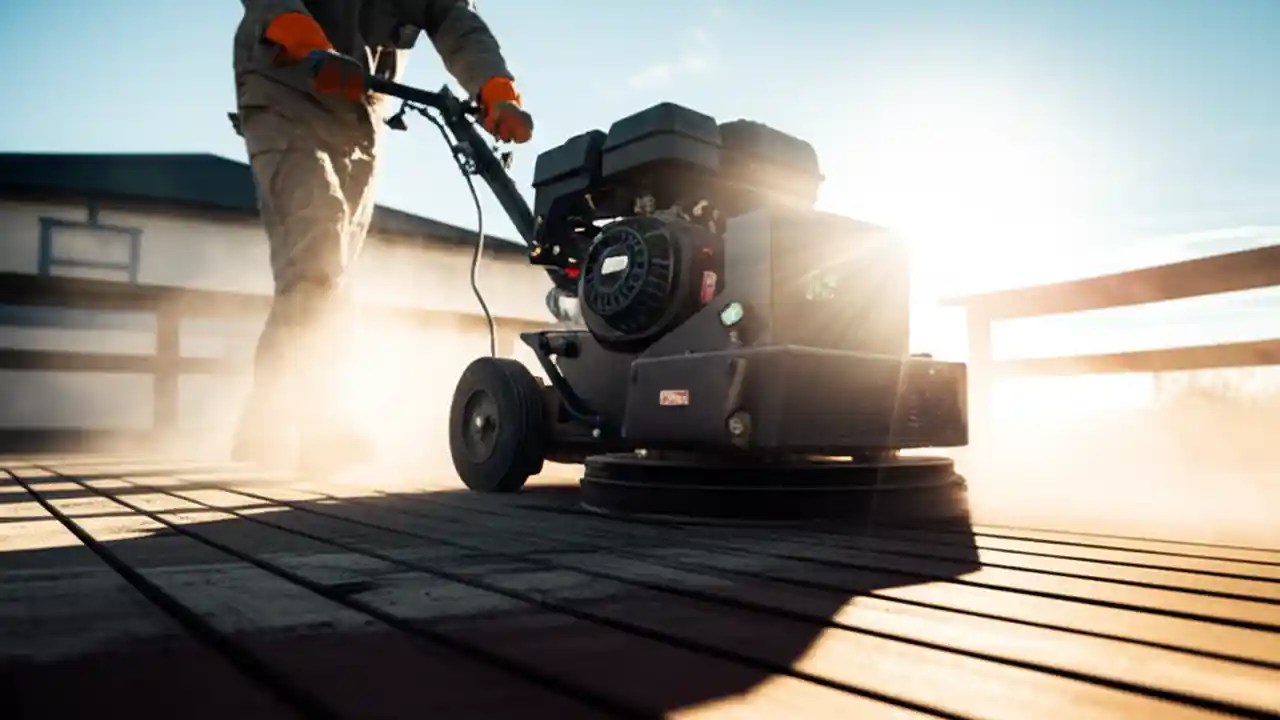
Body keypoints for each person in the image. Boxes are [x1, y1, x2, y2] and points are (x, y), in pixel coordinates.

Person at [230, 1, 532, 472]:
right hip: (284, 92)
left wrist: (495, 89)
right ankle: (319, 427)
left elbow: (455, 21)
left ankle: (265, 413)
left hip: (361, 113)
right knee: (318, 252)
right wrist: (310, 44)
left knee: (328, 273)